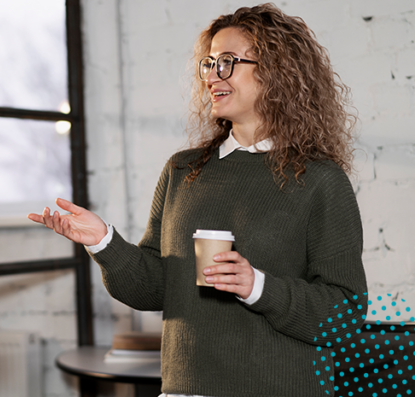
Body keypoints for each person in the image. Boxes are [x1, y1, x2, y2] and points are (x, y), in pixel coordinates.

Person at [29, 4, 367, 396]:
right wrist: (103, 241)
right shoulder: (182, 170)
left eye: (227, 62)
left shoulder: (320, 179)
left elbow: (344, 316)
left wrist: (257, 287)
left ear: (277, 72)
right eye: (208, 64)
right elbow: (153, 290)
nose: (212, 75)